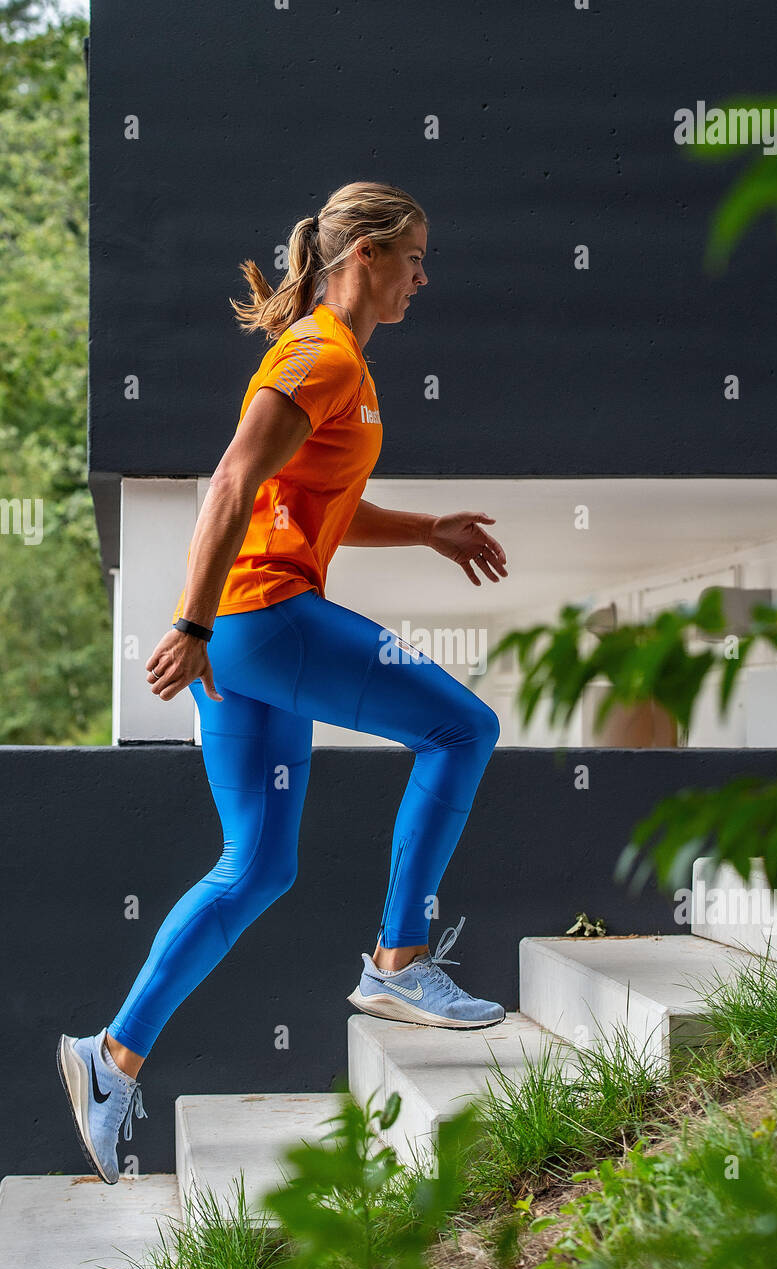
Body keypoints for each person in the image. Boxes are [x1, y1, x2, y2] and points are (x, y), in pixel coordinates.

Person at [57, 181, 508, 1185]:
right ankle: (397, 963)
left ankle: (110, 1058)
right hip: (256, 623)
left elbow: (318, 496)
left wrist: (424, 529)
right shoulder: (320, 354)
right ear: (365, 256)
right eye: (414, 258)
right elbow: (229, 480)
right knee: (461, 729)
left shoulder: (341, 363)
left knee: (255, 865)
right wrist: (190, 621)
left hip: (244, 636)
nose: (423, 279)